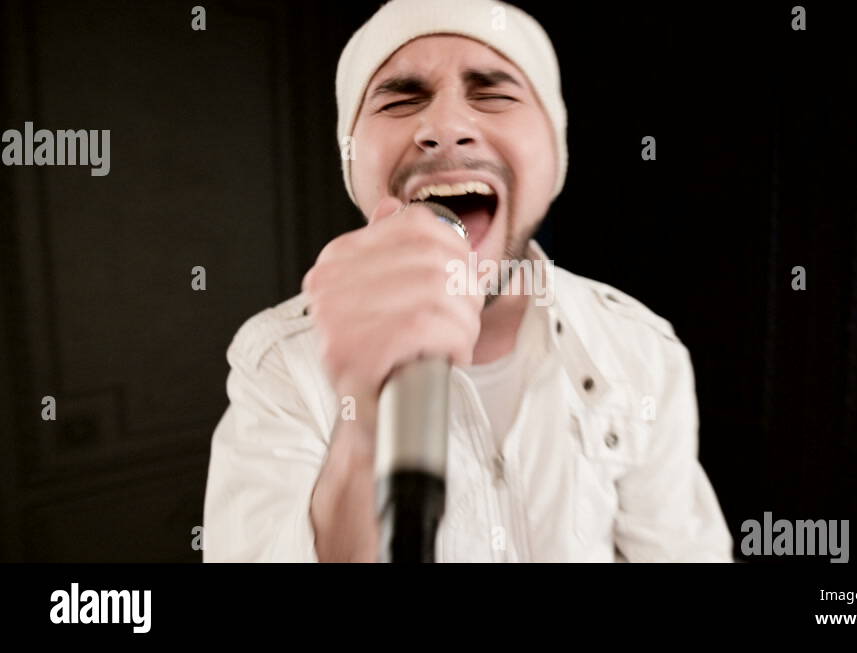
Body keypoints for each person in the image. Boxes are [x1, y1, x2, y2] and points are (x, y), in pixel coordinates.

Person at [203, 0, 733, 562]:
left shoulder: (641, 348)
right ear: (352, 162)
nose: (445, 128)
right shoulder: (277, 364)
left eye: (493, 94)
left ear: (554, 159)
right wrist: (363, 420)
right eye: (401, 98)